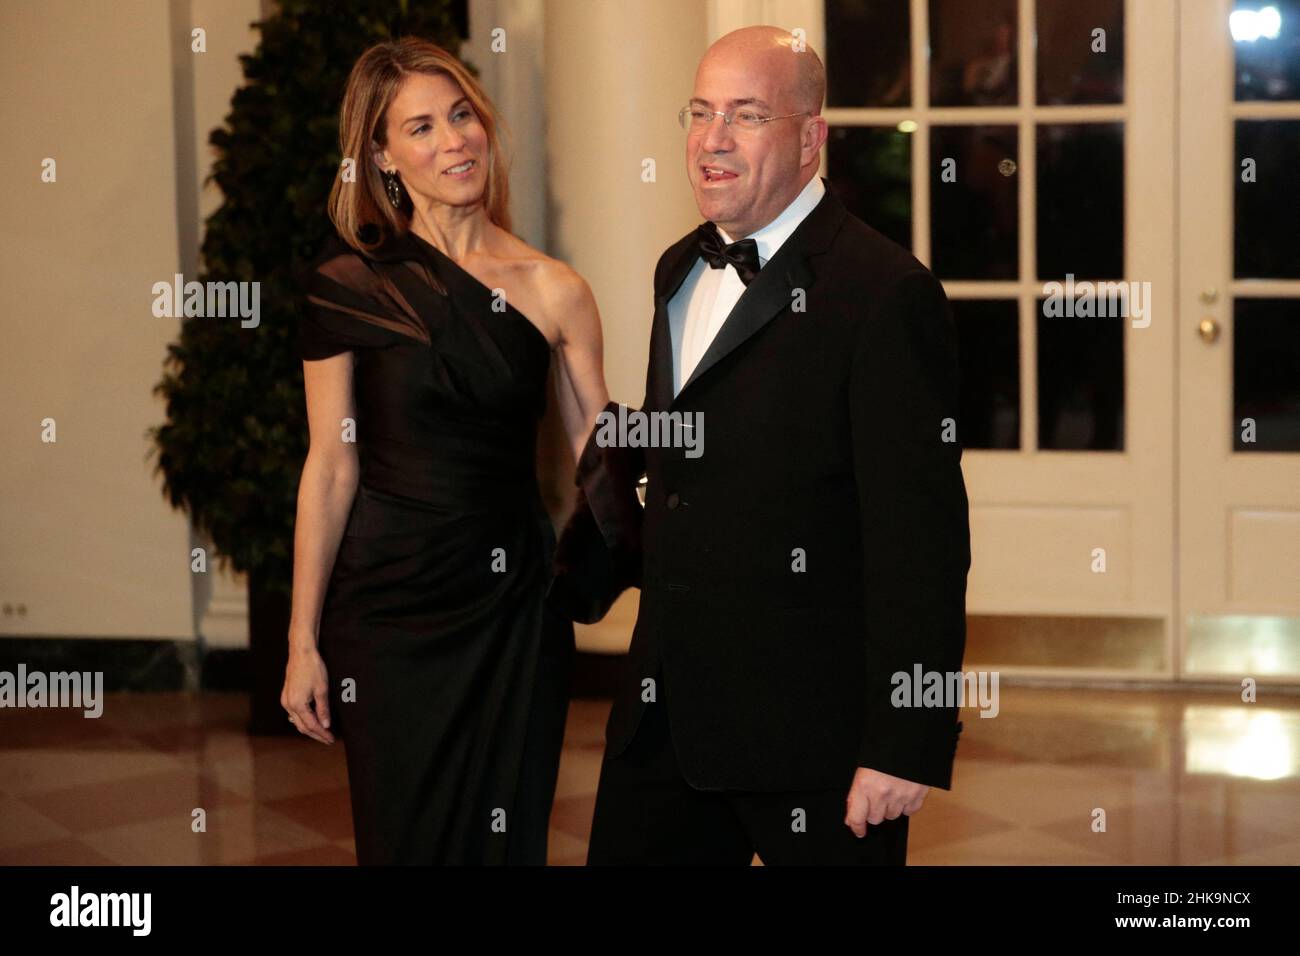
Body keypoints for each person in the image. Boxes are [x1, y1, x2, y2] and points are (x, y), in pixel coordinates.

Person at [583, 26, 971, 865]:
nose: (712, 139)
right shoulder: (677, 270)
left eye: (747, 115)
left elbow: (924, 543)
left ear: (809, 137)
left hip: (816, 741)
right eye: (700, 111)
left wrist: (904, 740)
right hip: (664, 722)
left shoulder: (884, 293)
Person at [281, 37, 609, 865]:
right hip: (388, 610)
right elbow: (330, 467)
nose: (452, 141)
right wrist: (302, 641)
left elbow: (602, 463)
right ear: (383, 156)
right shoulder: (348, 284)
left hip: (512, 610)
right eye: (420, 128)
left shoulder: (555, 289)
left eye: (460, 115)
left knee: (508, 842)